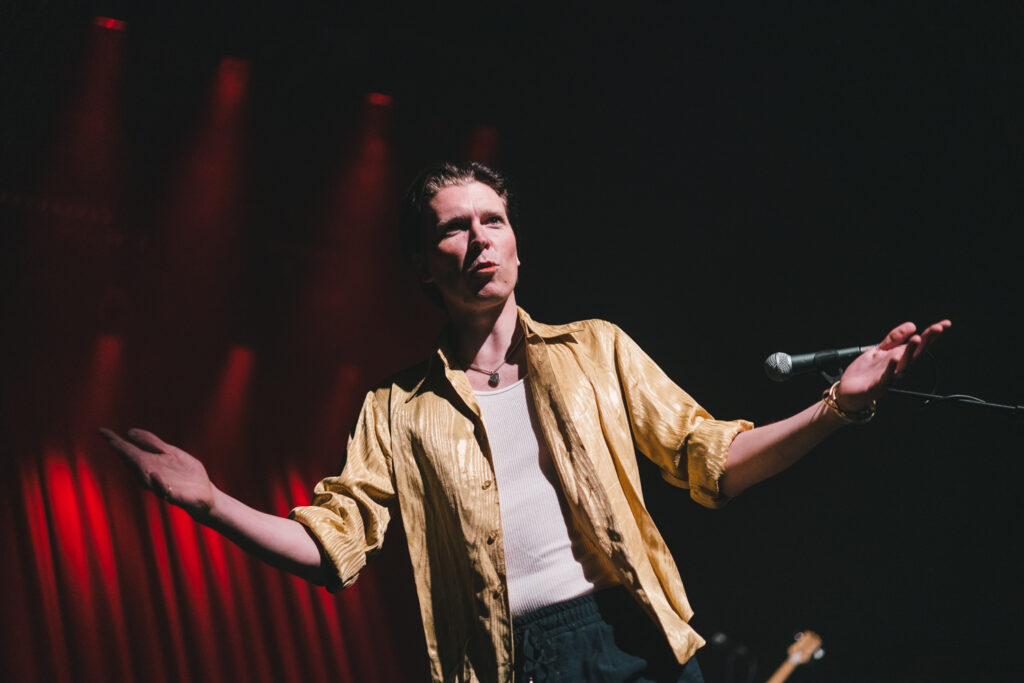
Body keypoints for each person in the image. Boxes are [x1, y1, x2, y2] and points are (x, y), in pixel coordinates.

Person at [100, 161, 950, 683]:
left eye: (492, 221)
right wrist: (210, 503)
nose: (478, 240)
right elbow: (334, 548)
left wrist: (839, 405)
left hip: (638, 639)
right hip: (513, 663)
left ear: (516, 242)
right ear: (421, 268)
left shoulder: (596, 349)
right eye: (452, 229)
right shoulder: (396, 408)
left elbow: (715, 460)